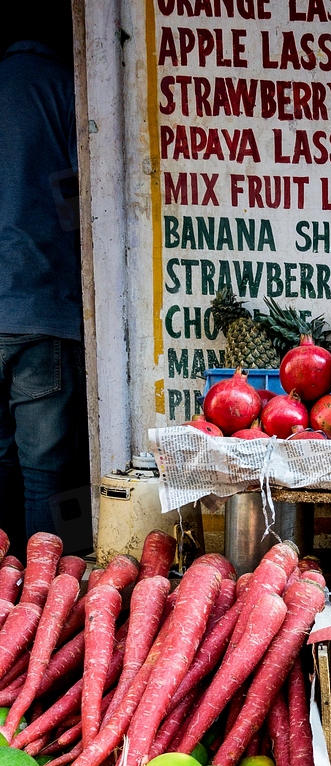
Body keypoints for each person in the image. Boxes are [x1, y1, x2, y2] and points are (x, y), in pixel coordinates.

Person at [0, 5, 90, 556]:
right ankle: (45, 595)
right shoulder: (66, 92)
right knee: (44, 471)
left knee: (1, 460)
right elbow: (80, 205)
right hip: (42, 312)